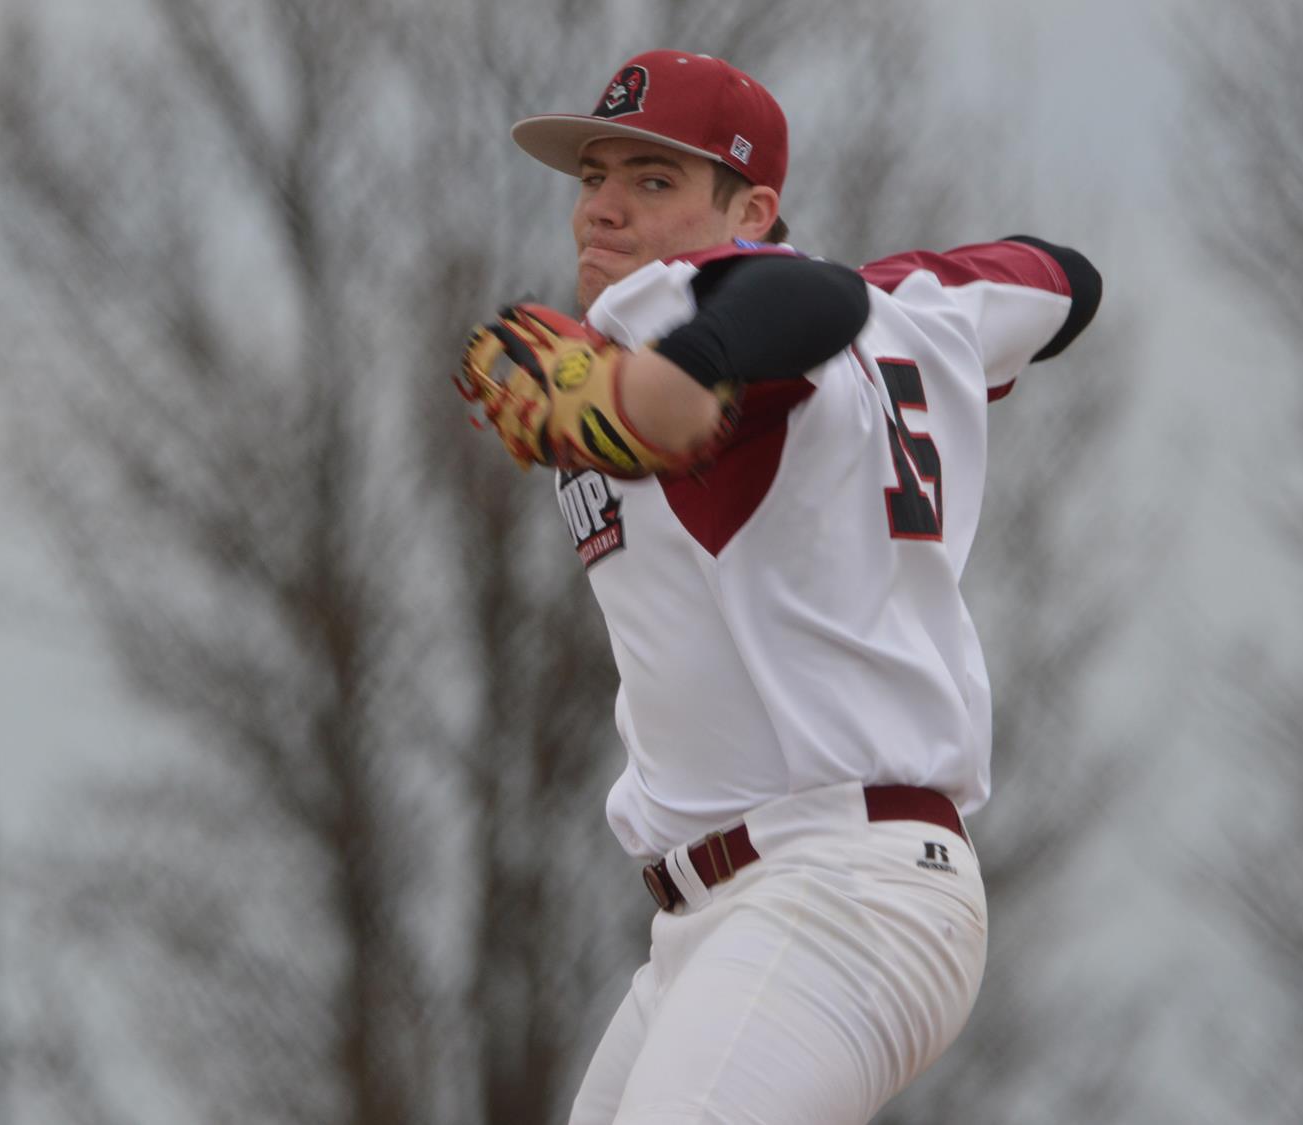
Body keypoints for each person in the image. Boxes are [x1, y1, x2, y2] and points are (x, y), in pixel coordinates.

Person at [460, 49, 1102, 1124]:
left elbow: (793, 297)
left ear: (751, 213)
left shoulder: (683, 311)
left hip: (830, 889)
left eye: (653, 181)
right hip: (736, 919)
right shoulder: (920, 308)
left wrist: (681, 361)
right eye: (592, 178)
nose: (603, 210)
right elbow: (1065, 279)